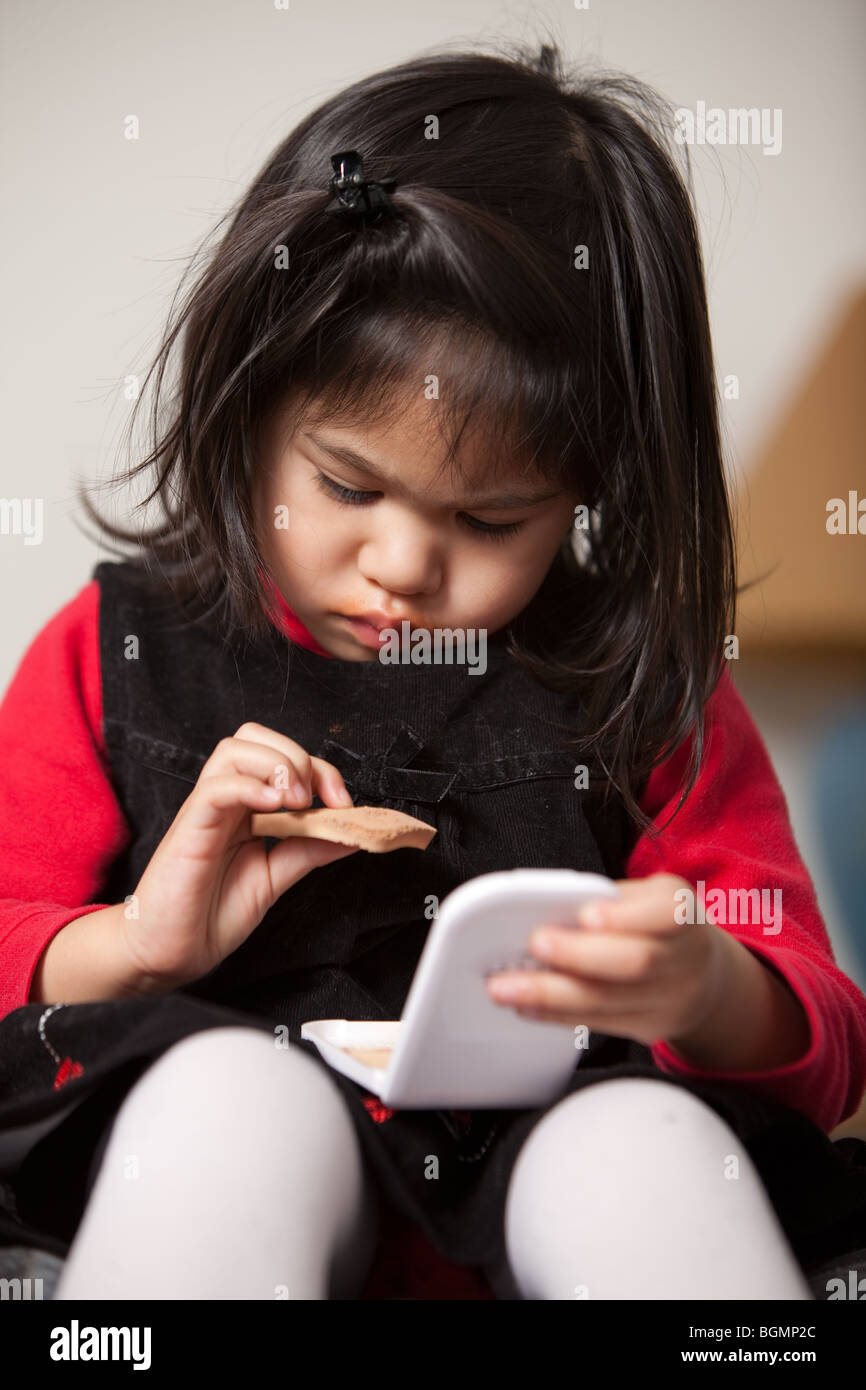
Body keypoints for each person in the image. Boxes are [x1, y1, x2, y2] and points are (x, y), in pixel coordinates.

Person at [1, 40, 864, 1302]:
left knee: (639, 1147)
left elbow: (824, 1037)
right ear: (247, 411)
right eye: (346, 486)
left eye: (490, 520)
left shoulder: (639, 690)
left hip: (553, 1168)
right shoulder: (106, 651)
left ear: (584, 494)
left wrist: (707, 982)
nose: (401, 565)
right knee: (223, 1105)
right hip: (224, 1151)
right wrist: (133, 943)